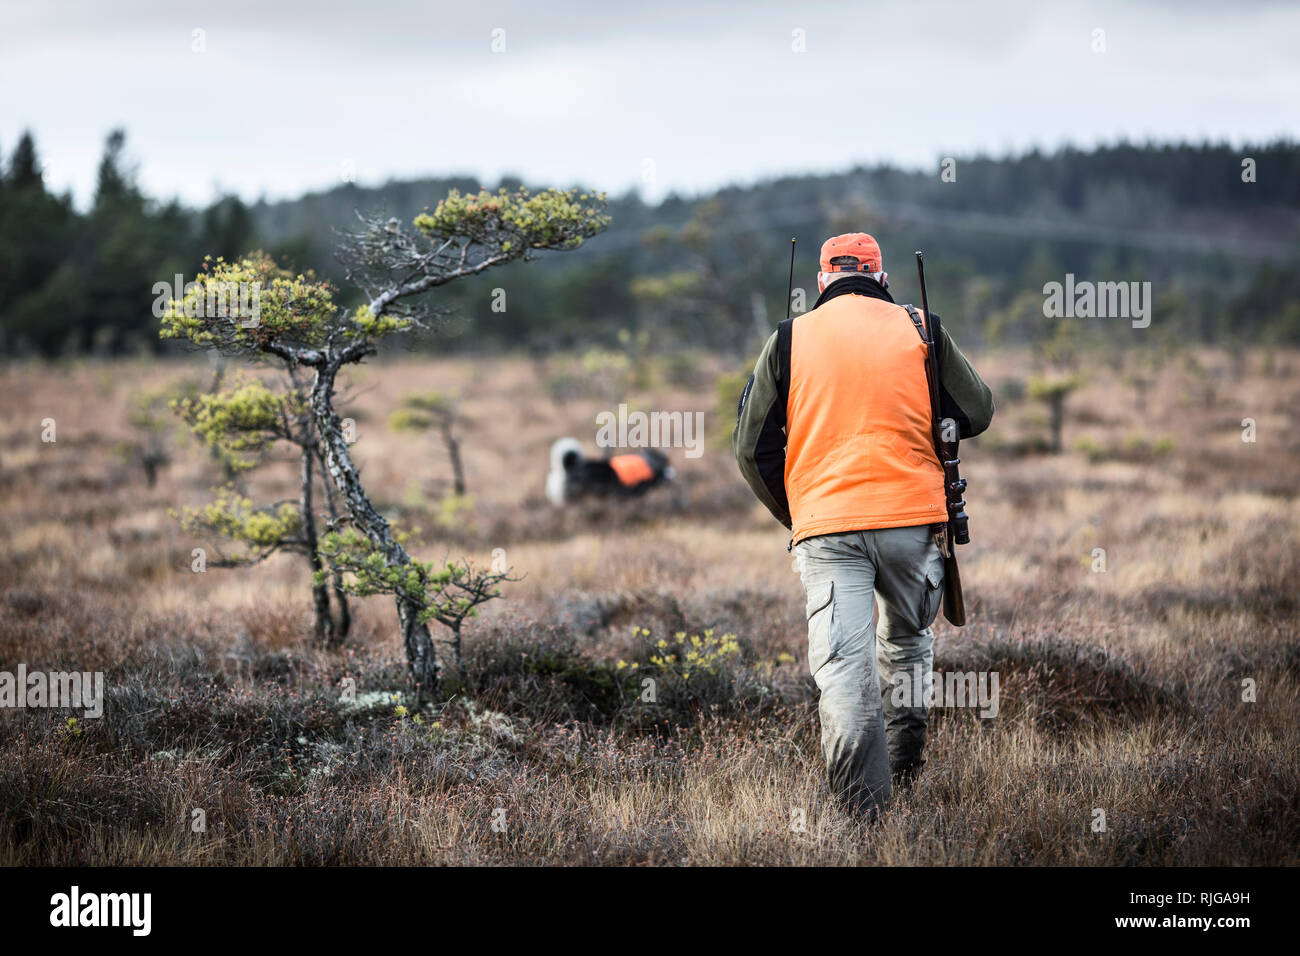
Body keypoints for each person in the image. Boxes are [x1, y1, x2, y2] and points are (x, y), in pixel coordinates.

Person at [733, 232, 994, 818]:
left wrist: (798, 514)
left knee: (845, 672)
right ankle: (905, 777)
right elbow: (976, 411)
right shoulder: (921, 327)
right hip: (913, 522)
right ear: (881, 276)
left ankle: (861, 818)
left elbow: (752, 450)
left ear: (821, 282)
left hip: (826, 527)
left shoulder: (788, 338)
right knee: (905, 648)